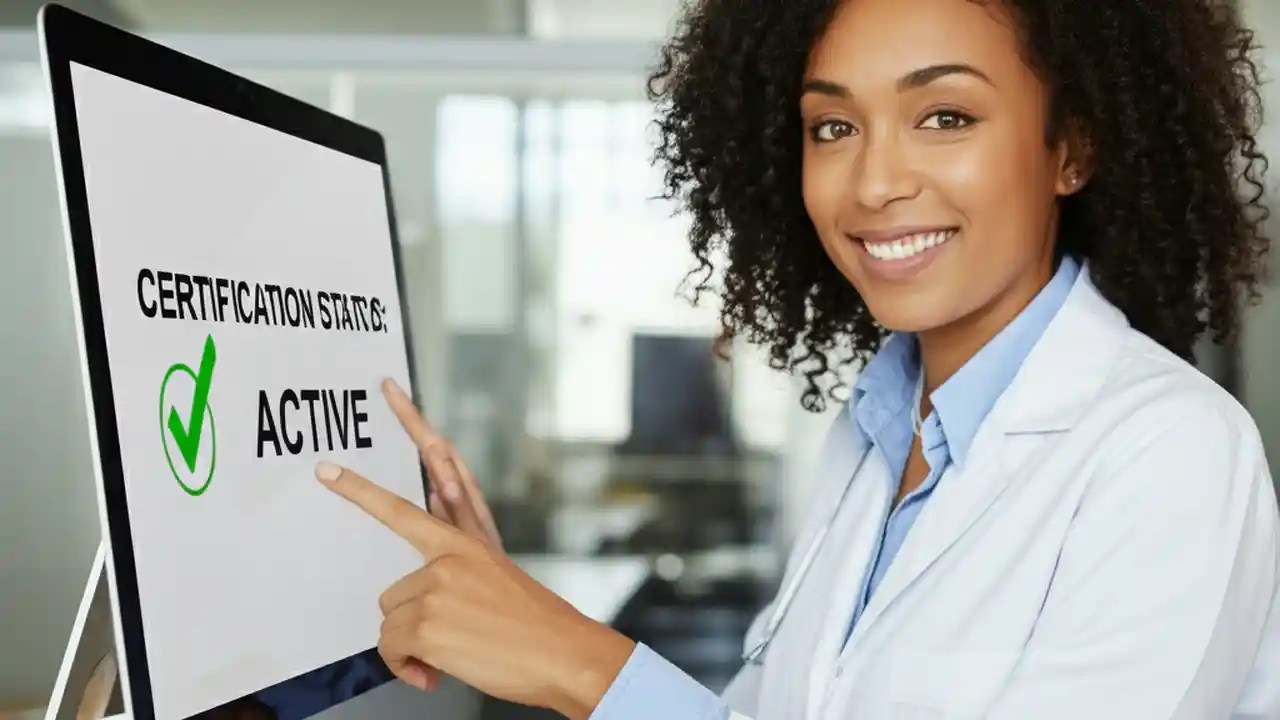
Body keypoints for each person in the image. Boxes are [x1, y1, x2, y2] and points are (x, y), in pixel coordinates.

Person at [314, 0, 1280, 717]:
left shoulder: (1172, 452)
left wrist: (583, 666)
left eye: (945, 116)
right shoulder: (877, 436)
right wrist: (516, 611)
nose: (876, 181)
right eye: (834, 126)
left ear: (1071, 146)